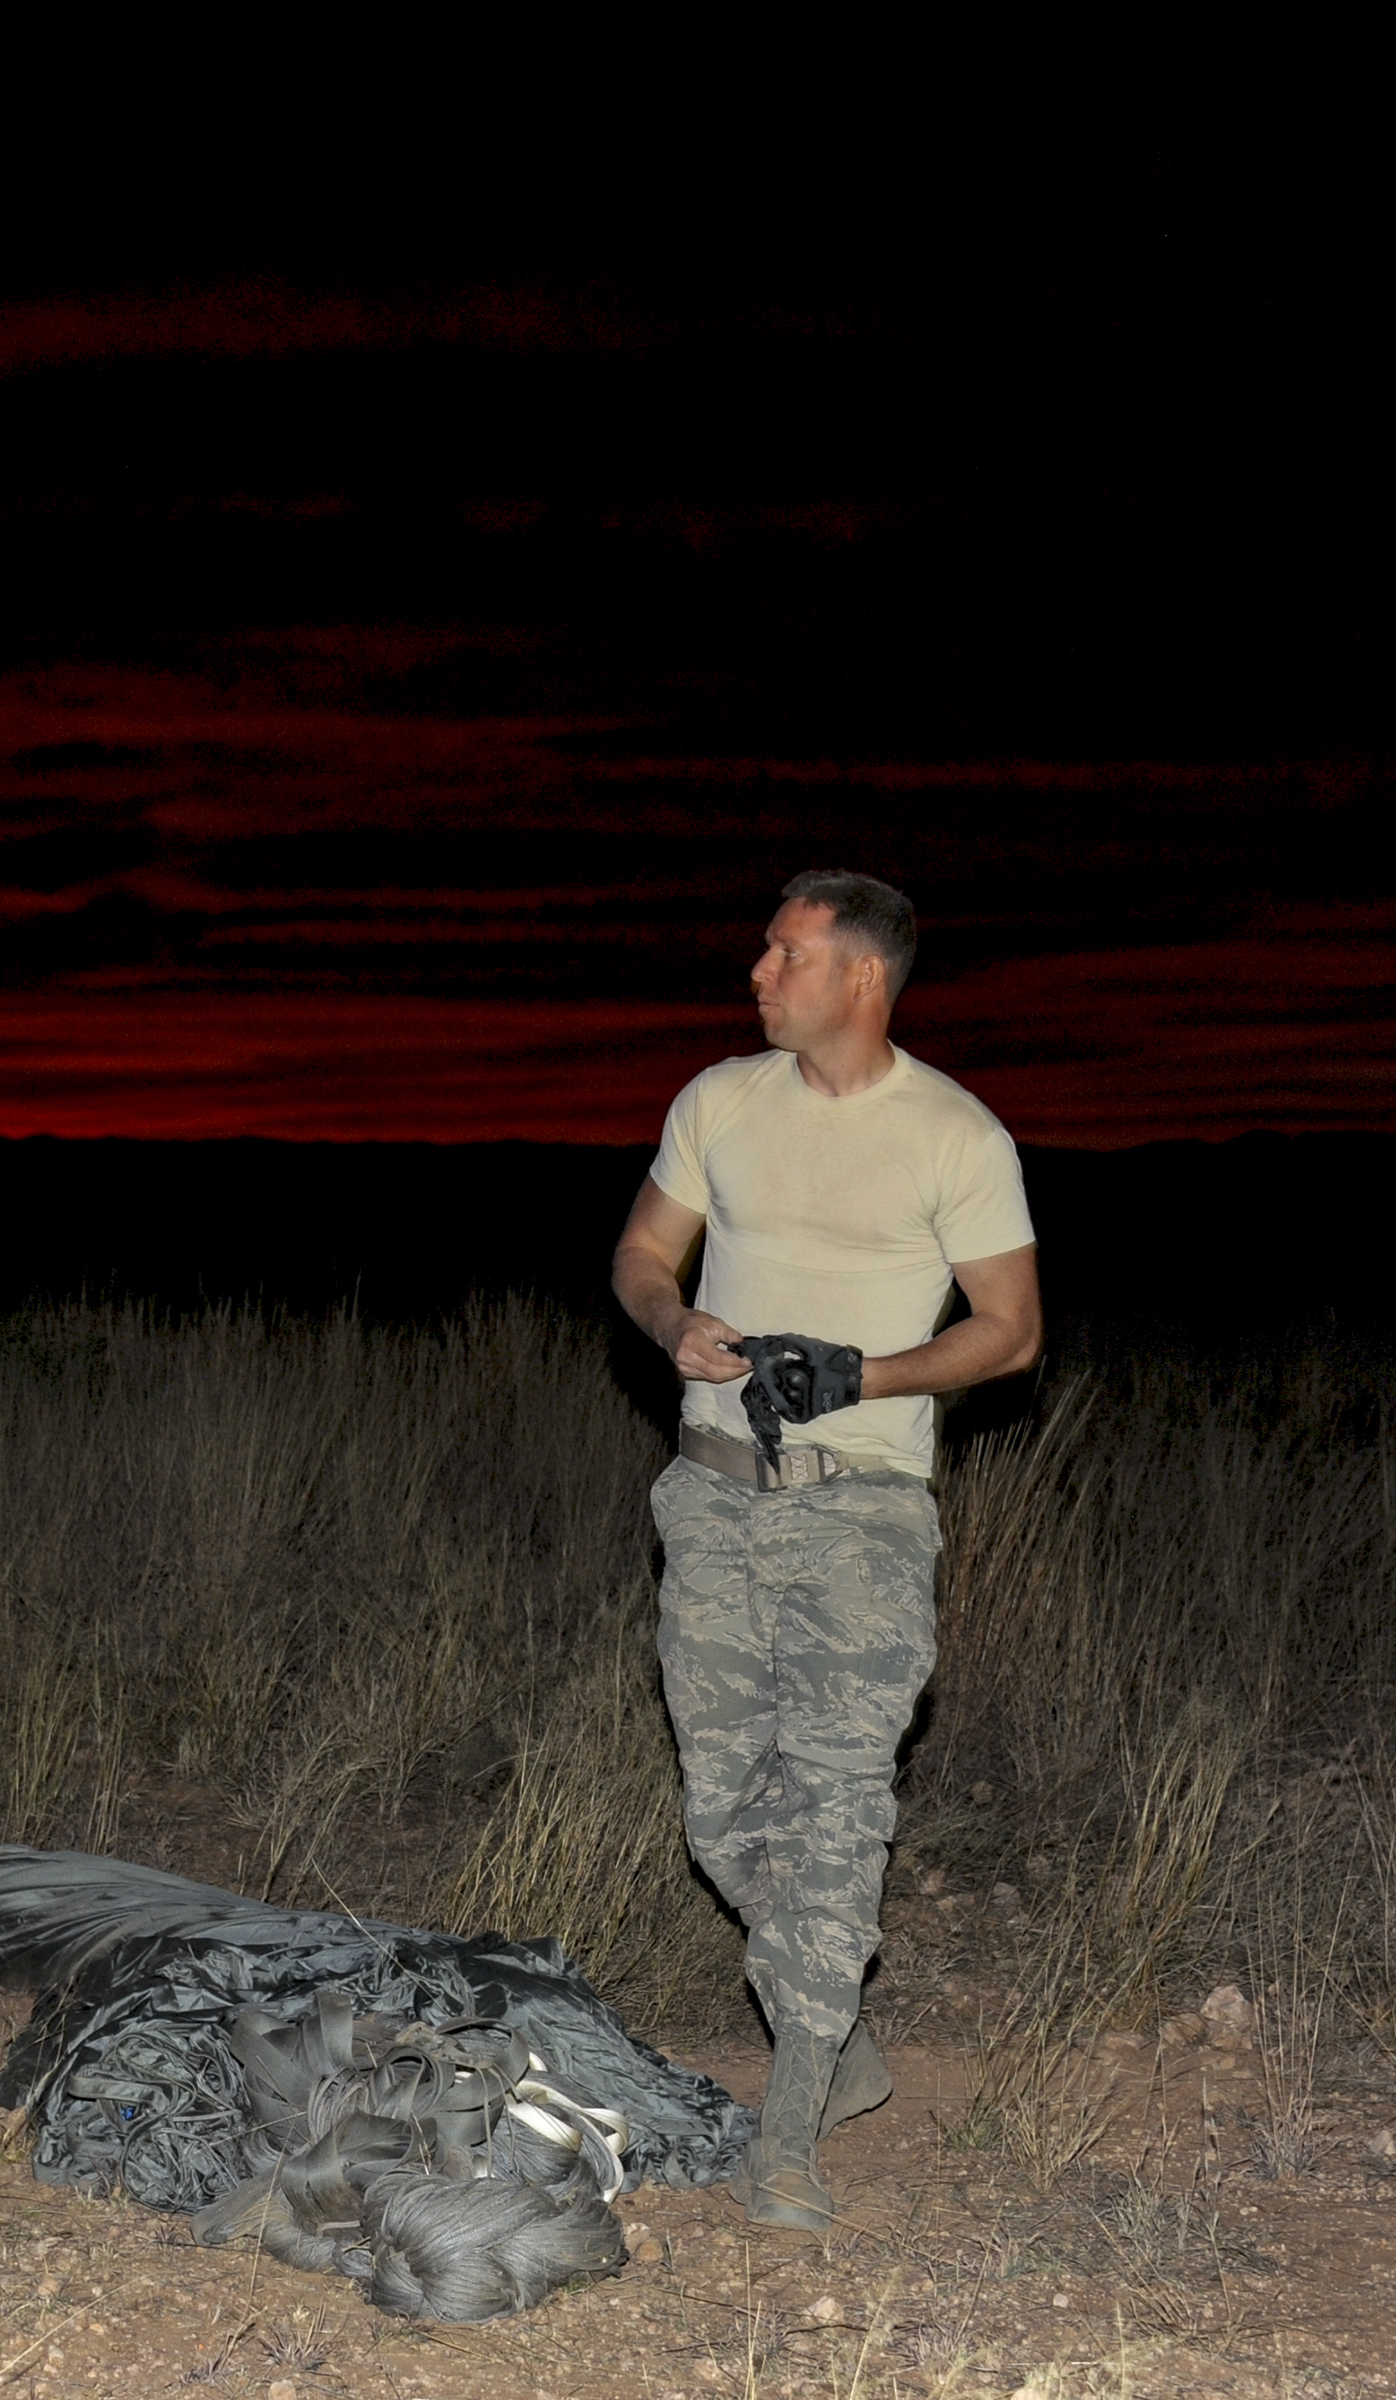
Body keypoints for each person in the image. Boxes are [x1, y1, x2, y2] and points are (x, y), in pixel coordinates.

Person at [610, 870, 1040, 2230]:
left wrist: (864, 1376)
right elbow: (639, 1253)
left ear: (863, 976)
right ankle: (839, 2047)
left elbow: (1012, 1331)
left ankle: (786, 2129)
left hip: (860, 1507)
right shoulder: (717, 1102)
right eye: (763, 948)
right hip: (713, 1495)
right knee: (725, 1811)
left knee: (841, 1808)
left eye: (786, 953)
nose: (758, 970)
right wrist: (671, 1321)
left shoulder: (954, 1134)